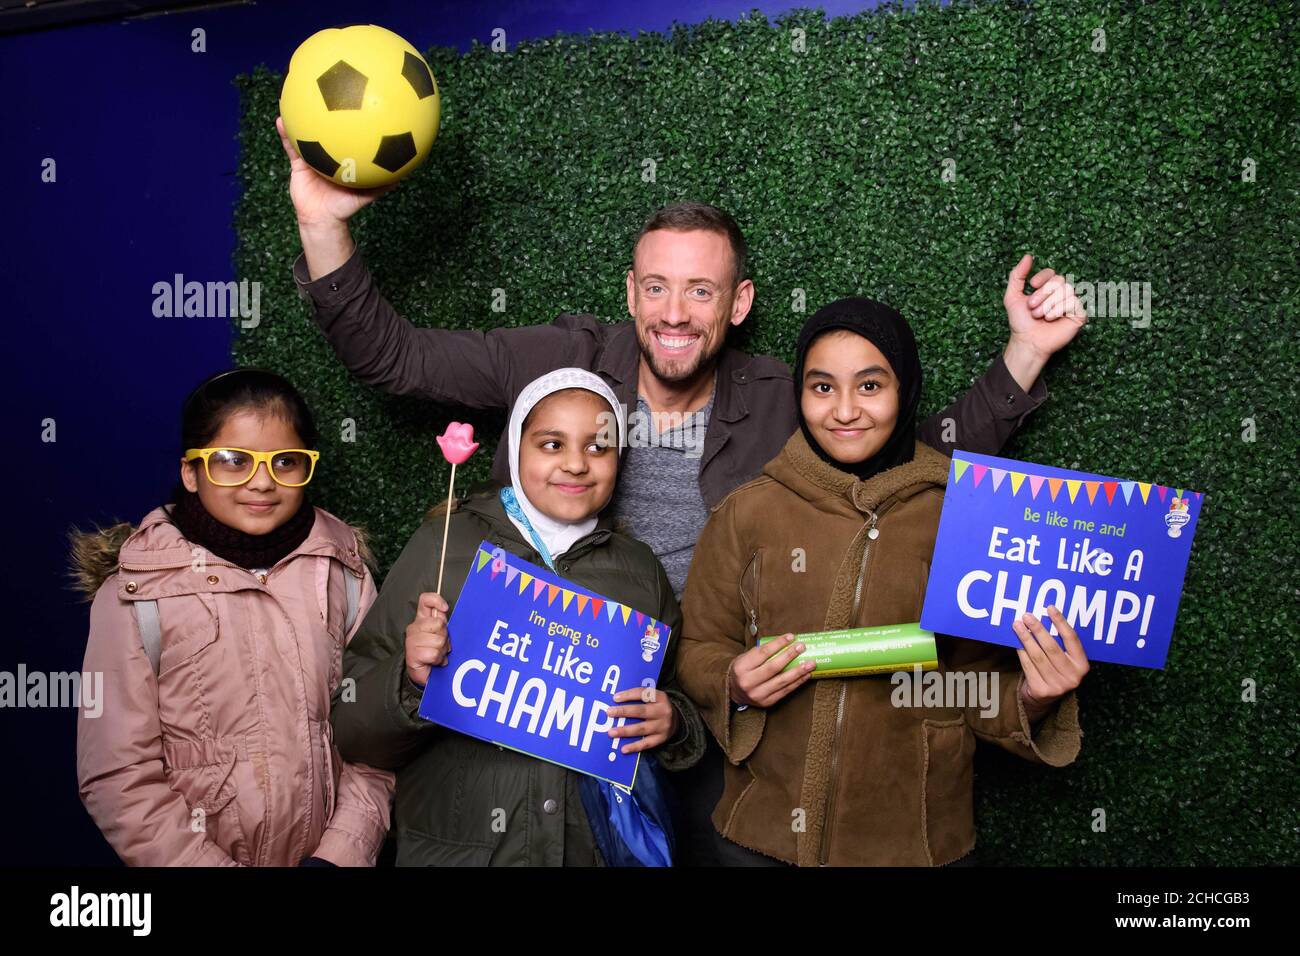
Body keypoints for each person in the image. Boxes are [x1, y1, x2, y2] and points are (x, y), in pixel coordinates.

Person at [275, 116, 1088, 863]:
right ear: (630, 292)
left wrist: (1024, 356)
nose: (674, 312)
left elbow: (909, 457)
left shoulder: (782, 398)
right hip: (526, 694)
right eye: (657, 287)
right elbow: (401, 361)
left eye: (701, 291)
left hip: (696, 711)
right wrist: (322, 222)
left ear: (738, 305)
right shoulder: (561, 361)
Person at [676, 299, 1089, 866]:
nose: (845, 410)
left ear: (905, 390)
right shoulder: (746, 513)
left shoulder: (959, 517)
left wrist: (1031, 697)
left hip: (917, 843)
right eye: (822, 388)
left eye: (870, 386)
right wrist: (732, 682)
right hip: (760, 839)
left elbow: (967, 684)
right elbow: (697, 647)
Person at [331, 369, 706, 866]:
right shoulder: (445, 547)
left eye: (598, 448)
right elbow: (350, 726)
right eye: (552, 444)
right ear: (515, 450)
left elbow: (676, 696)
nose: (576, 464)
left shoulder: (640, 572)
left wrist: (673, 723)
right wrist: (409, 677)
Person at [72, 369, 394, 866]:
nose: (261, 482)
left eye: (285, 462)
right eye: (230, 461)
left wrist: (338, 857)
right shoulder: (136, 596)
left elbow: (375, 741)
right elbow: (118, 776)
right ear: (190, 471)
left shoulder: (344, 577)